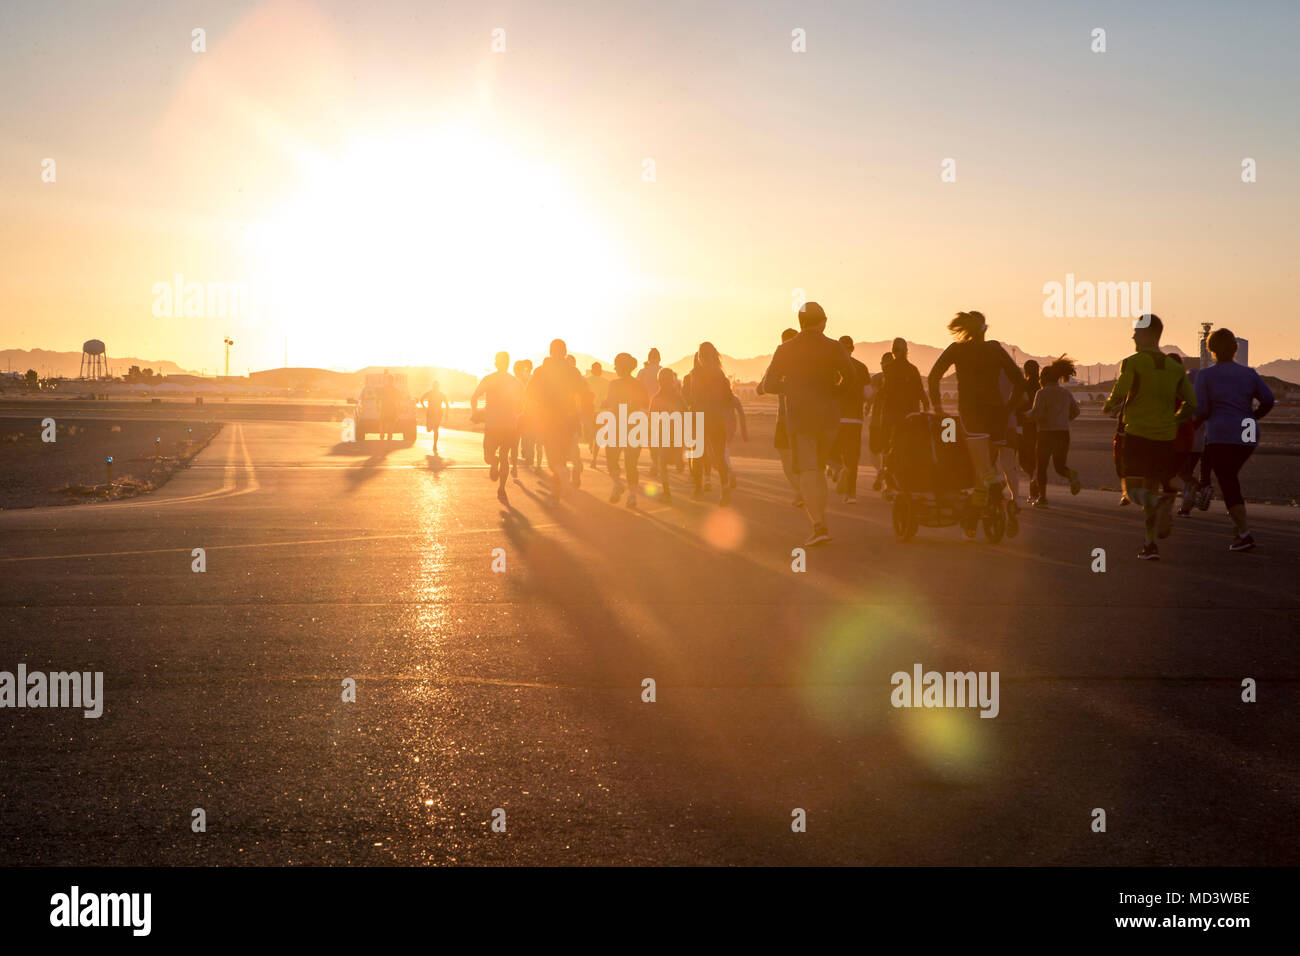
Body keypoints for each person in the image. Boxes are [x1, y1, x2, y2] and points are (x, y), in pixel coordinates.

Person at [1102, 314, 1197, 560]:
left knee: (1132, 490)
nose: (1133, 335)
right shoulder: (1175, 368)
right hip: (1165, 439)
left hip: (1137, 434)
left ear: (1146, 334)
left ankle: (1157, 509)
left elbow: (1120, 391)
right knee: (1151, 485)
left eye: (1136, 331)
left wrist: (1109, 406)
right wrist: (1174, 421)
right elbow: (1192, 403)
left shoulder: (1132, 362)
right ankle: (1149, 543)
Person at [760, 302, 855, 545]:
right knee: (818, 469)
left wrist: (790, 387)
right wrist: (833, 390)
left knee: (809, 471)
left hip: (800, 418)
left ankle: (819, 525)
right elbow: (851, 379)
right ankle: (821, 520)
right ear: (822, 321)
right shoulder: (834, 347)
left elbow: (769, 384)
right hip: (829, 418)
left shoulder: (785, 349)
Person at [927, 311, 1025, 523]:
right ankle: (976, 518)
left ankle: (995, 488)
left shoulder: (957, 349)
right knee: (987, 467)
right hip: (997, 415)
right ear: (985, 329)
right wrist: (1008, 409)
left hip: (972, 414)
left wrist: (937, 406)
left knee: (982, 471)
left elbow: (934, 376)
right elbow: (1019, 381)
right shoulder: (995, 349)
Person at [1193, 327, 1275, 551]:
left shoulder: (1206, 376)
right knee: (1229, 474)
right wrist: (1252, 417)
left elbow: (1202, 409)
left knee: (1228, 480)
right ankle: (1216, 494)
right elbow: (1268, 400)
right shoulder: (1249, 373)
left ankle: (1244, 532)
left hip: (1221, 433)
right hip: (1248, 431)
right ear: (1235, 349)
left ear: (1211, 350)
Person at [525, 339, 592, 502]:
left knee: (553, 457)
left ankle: (562, 478)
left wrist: (536, 407)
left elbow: (529, 393)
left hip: (548, 419)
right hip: (569, 418)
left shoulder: (541, 371)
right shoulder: (572, 371)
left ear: (550, 352)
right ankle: (557, 491)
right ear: (564, 352)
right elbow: (586, 393)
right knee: (562, 454)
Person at [683, 342, 735, 505]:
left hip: (697, 419)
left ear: (699, 357)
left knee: (697, 455)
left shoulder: (691, 377)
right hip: (716, 419)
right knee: (719, 456)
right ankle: (724, 489)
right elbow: (728, 399)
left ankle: (698, 489)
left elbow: (686, 398)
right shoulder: (721, 377)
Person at [1025, 356, 1081, 507]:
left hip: (1046, 433)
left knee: (1041, 466)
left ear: (1044, 378)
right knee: (1060, 466)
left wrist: (1025, 416)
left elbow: (1036, 413)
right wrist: (1064, 419)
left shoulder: (1042, 393)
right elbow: (1076, 411)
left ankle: (1042, 498)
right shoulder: (1065, 393)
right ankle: (1072, 475)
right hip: (1063, 433)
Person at [756, 328, 802, 505]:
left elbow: (761, 388)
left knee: (786, 458)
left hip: (785, 417)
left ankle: (800, 491)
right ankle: (805, 490)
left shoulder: (779, 361)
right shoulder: (807, 362)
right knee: (803, 457)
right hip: (806, 417)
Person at [470, 352, 524, 504]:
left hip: (492, 424)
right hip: (509, 425)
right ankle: (501, 487)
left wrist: (475, 412)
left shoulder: (489, 379)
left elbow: (474, 397)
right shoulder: (516, 382)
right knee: (504, 457)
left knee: (488, 456)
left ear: (496, 363)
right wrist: (515, 413)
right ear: (508, 363)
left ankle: (494, 465)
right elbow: (522, 405)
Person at [826, 335, 870, 503]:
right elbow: (867, 394)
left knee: (829, 452)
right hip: (855, 419)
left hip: (835, 418)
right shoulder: (862, 368)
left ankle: (837, 469)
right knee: (852, 456)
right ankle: (850, 495)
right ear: (852, 349)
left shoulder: (831, 368)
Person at [603, 353, 650, 508]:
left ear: (621, 367)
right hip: (634, 426)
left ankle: (618, 484)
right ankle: (631, 496)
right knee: (631, 463)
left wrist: (604, 404)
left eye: (616, 364)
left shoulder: (614, 384)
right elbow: (645, 403)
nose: (614, 367)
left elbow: (608, 402)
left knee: (611, 459)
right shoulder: (638, 384)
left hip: (617, 425)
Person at [649, 367, 686, 502]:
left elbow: (651, 418)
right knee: (673, 453)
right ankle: (678, 460)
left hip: (663, 434)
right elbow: (685, 414)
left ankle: (666, 491)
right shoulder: (678, 398)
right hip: (676, 432)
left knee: (663, 463)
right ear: (672, 381)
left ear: (659, 381)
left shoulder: (656, 398)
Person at [868, 352, 895, 492]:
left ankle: (881, 472)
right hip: (885, 421)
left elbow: (871, 396)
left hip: (879, 421)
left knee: (877, 451)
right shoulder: (896, 379)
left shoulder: (877, 379)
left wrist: (867, 407)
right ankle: (883, 472)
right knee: (883, 451)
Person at [1017, 360, 1041, 501]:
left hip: (1023, 425)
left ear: (1026, 371)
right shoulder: (1040, 386)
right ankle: (1035, 481)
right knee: (1033, 458)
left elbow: (1018, 404)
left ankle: (1033, 480)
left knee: (1023, 460)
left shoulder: (1023, 386)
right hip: (1038, 427)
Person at [511, 359, 535, 476]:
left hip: (525, 412)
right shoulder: (513, 381)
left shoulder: (527, 379)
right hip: (517, 412)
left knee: (526, 435)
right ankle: (525, 454)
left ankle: (528, 453)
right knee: (520, 436)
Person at [585, 362, 610, 468]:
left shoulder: (586, 381)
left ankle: (590, 443)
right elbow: (608, 398)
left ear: (591, 369)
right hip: (601, 411)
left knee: (590, 432)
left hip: (588, 411)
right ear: (600, 371)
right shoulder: (606, 382)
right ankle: (594, 459)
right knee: (598, 435)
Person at [419, 380, 450, 456]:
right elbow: (421, 399)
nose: (435, 387)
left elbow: (446, 404)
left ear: (438, 386)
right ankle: (431, 427)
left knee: (436, 429)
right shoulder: (429, 393)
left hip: (438, 413)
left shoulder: (441, 394)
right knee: (429, 429)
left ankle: (435, 445)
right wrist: (423, 406)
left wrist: (446, 414)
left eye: (436, 386)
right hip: (430, 413)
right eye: (434, 386)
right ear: (433, 386)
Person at [379, 371, 398, 442]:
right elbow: (400, 397)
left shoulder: (384, 388)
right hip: (390, 408)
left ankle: (383, 433)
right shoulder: (394, 389)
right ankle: (388, 434)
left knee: (383, 421)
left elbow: (379, 397)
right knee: (390, 422)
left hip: (386, 407)